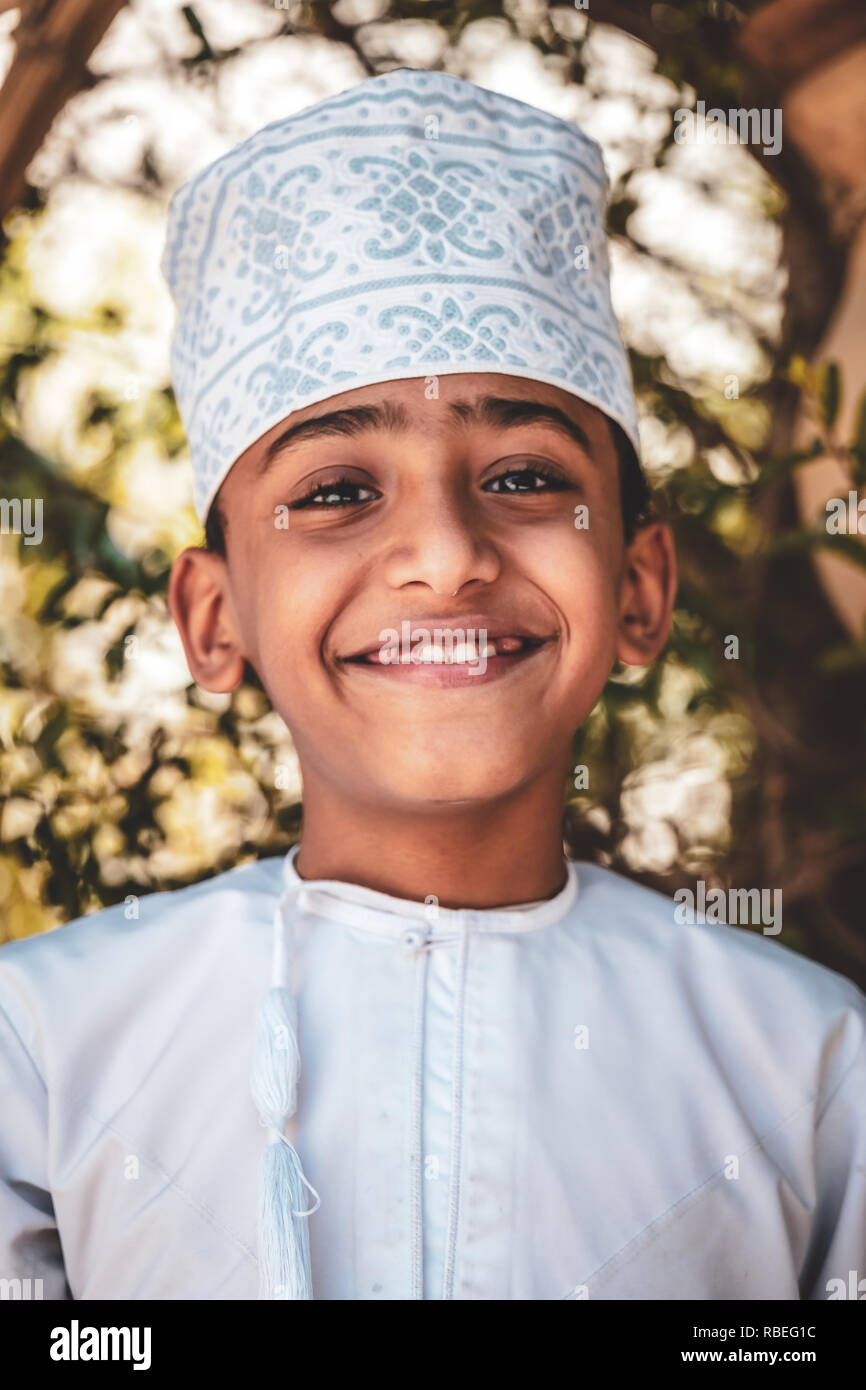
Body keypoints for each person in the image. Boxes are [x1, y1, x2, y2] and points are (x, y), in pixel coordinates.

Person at [0, 68, 864, 1302]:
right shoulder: (40, 1048)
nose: (449, 555)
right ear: (213, 615)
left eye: (520, 475)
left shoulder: (811, 1062)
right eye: (336, 491)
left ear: (637, 589)